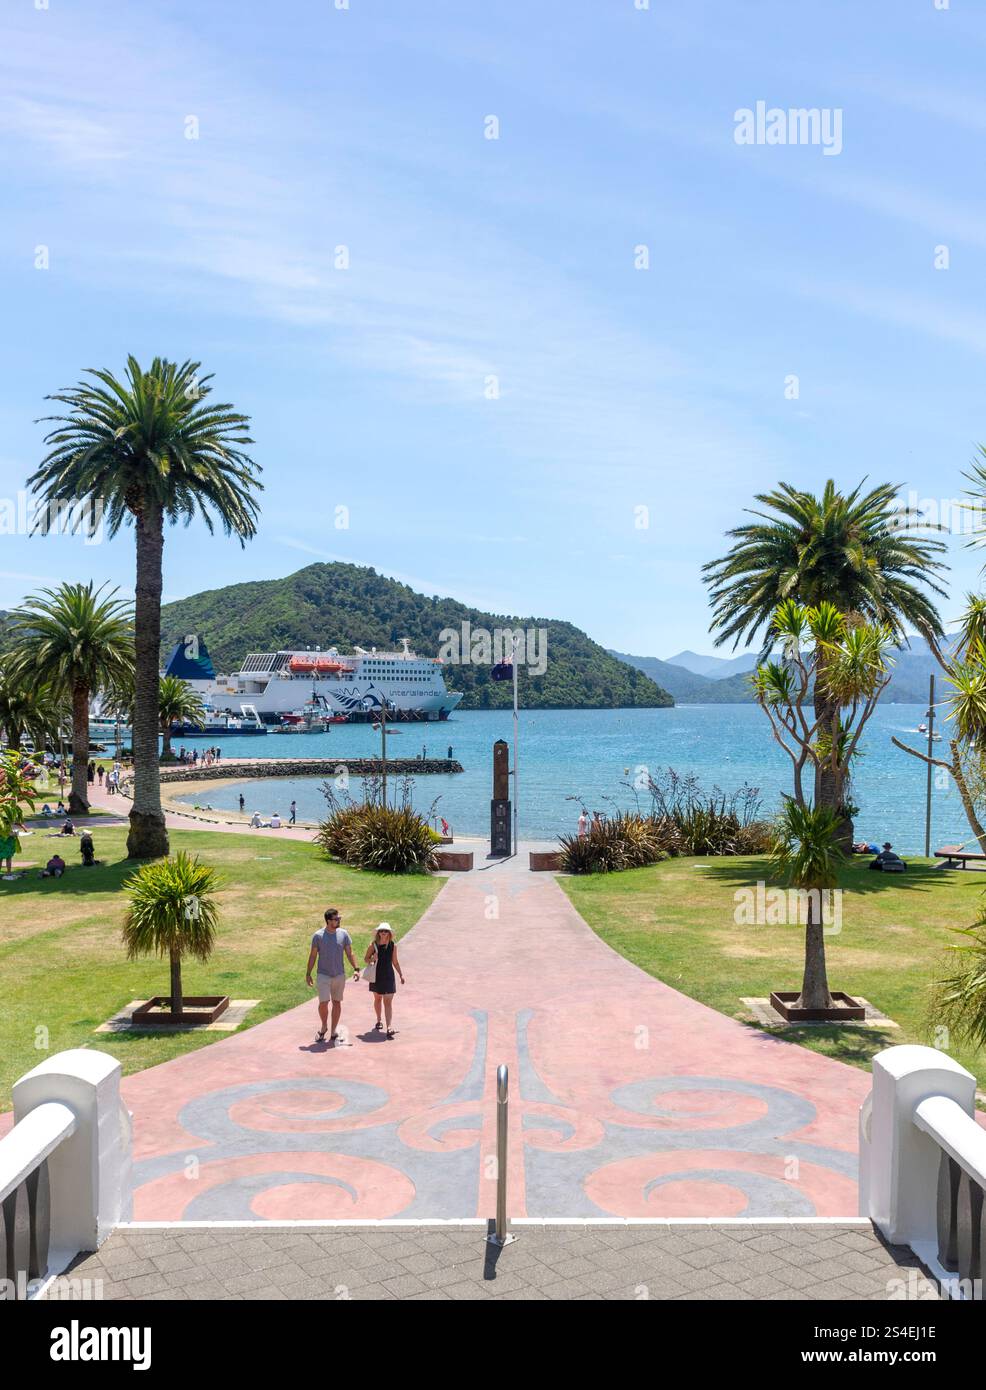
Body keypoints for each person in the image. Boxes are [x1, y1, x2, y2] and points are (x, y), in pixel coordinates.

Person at [306, 907, 360, 1043]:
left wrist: (356, 968)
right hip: (323, 975)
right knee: (323, 1003)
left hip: (339, 975)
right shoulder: (318, 936)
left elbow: (350, 952)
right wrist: (308, 973)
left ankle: (333, 1030)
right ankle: (324, 1027)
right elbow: (313, 956)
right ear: (329, 921)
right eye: (336, 919)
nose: (339, 921)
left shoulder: (344, 934)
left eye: (339, 918)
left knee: (337, 1002)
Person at [364, 925, 404, 1039]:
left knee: (388, 1002)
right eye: (381, 931)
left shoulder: (393, 946)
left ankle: (389, 1027)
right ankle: (379, 1020)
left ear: (389, 933)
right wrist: (373, 958)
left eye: (385, 931)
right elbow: (366, 959)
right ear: (378, 933)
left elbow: (395, 962)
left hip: (388, 976)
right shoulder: (373, 945)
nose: (383, 933)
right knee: (378, 999)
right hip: (376, 976)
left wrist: (401, 974)